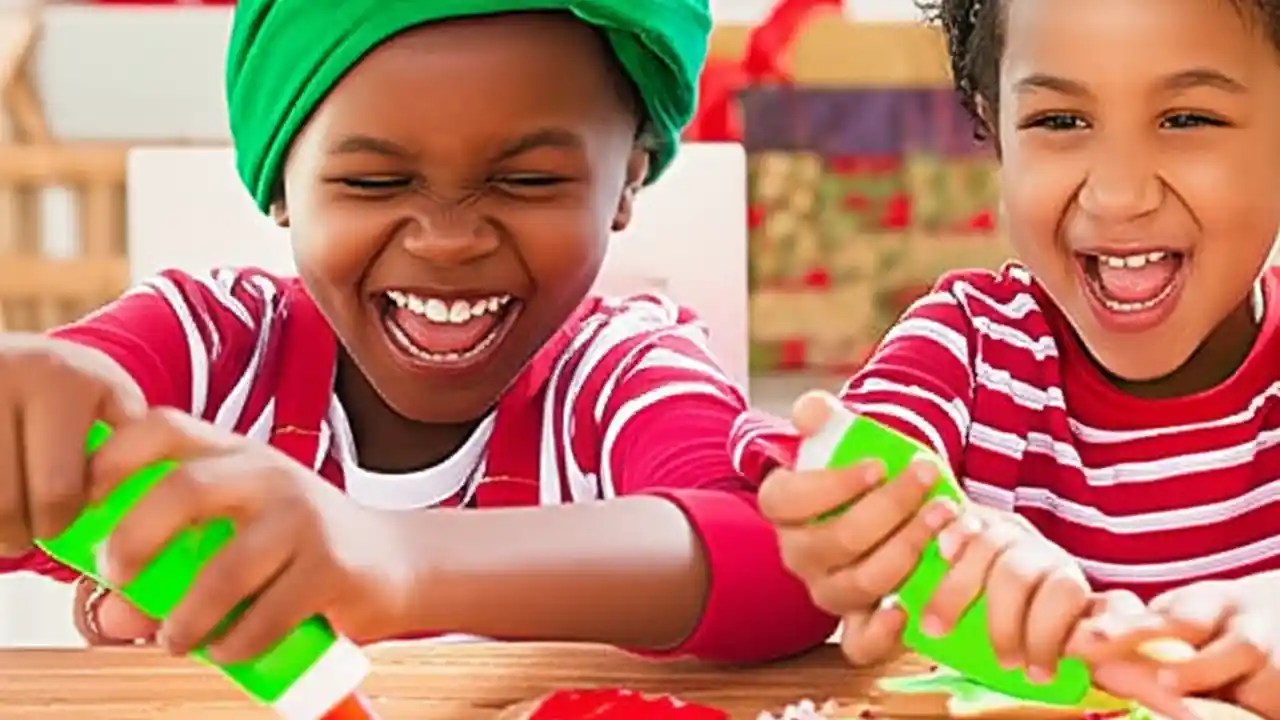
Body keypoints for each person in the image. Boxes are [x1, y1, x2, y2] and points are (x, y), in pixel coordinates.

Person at [0, 0, 836, 666]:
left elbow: (793, 555)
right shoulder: (206, 351)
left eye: (528, 180)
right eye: (372, 181)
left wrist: (399, 561)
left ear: (627, 180)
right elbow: (34, 429)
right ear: (281, 182)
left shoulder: (623, 374)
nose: (447, 239)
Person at [731, 0, 1280, 715]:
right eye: (1059, 122)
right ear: (993, 129)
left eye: (1186, 120)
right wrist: (928, 534)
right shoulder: (966, 348)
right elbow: (846, 475)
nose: (1118, 196)